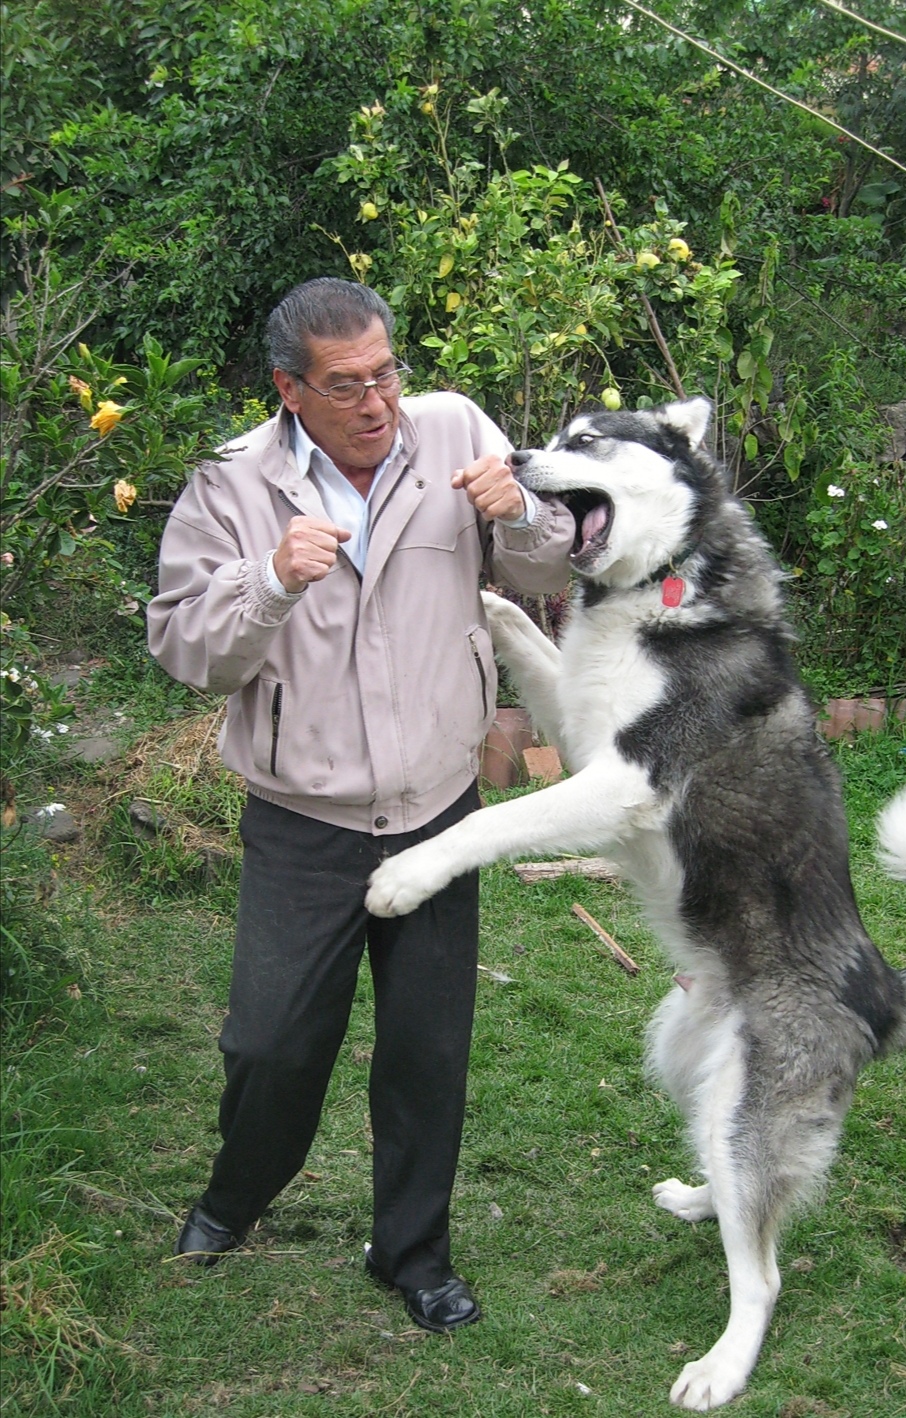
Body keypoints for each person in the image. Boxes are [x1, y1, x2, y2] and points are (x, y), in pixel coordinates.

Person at [148, 277, 573, 1332]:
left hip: (438, 808)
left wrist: (521, 512)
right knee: (271, 1043)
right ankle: (238, 1192)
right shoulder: (230, 483)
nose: (377, 401)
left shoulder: (454, 429)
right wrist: (268, 581)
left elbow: (552, 564)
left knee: (427, 1049)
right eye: (345, 385)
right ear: (289, 389)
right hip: (306, 817)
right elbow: (186, 649)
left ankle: (412, 1251)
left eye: (386, 372)